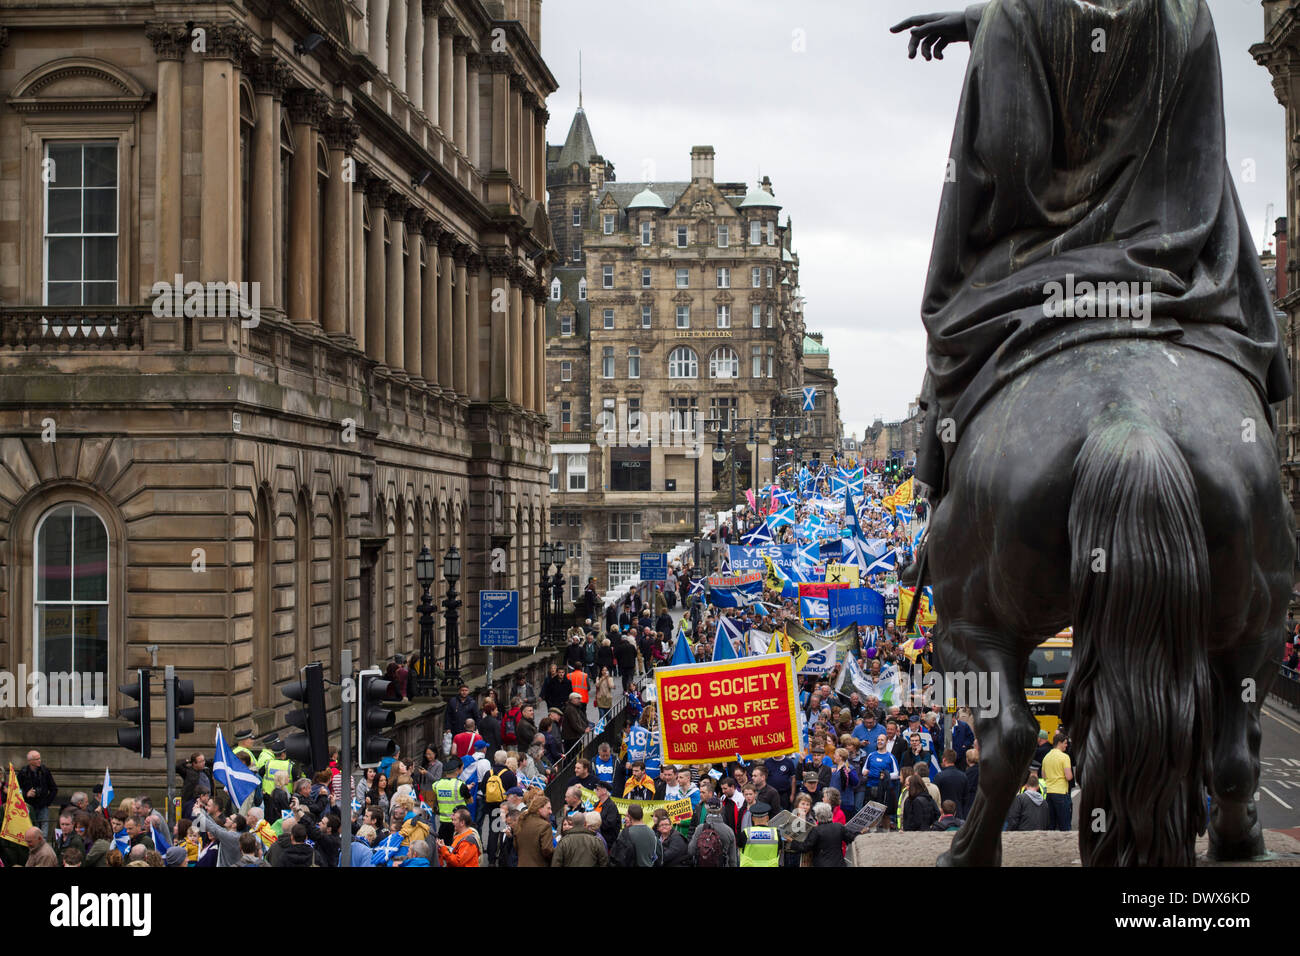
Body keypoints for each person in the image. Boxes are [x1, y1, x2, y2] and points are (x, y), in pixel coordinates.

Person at [789, 802, 848, 867]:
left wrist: (792, 841)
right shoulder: (838, 826)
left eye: (807, 804)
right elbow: (849, 837)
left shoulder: (816, 829)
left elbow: (805, 847)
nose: (805, 807)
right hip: (838, 863)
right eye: (802, 804)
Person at [688, 797, 738, 867]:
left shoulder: (700, 828)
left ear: (706, 808)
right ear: (720, 809)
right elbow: (732, 860)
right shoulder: (729, 831)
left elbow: (691, 851)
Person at [17, 751, 57, 837]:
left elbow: (54, 789)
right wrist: (26, 794)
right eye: (37, 759)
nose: (39, 760)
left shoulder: (44, 771)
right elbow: (16, 790)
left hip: (43, 806)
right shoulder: (23, 773)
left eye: (40, 758)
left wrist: (47, 802)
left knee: (43, 832)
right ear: (30, 761)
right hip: (29, 806)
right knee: (30, 831)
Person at [1041, 732, 1074, 831]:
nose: (1066, 745)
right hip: (1061, 793)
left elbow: (1043, 776)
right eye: (1065, 743)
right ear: (1059, 743)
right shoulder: (1064, 757)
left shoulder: (1046, 757)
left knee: (1051, 825)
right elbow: (1068, 776)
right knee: (1065, 825)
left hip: (1049, 793)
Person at [515, 794, 556, 867]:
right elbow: (547, 850)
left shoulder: (521, 822)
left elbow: (516, 845)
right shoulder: (545, 826)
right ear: (540, 808)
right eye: (548, 808)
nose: (551, 812)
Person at [738, 802, 780, 867]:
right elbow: (779, 850)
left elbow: (739, 848)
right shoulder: (776, 833)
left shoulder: (745, 833)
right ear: (767, 818)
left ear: (752, 818)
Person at [593, 780, 621, 847]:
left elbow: (609, 824)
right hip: (595, 838)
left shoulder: (611, 806)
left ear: (604, 791)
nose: (595, 791)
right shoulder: (596, 804)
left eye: (597, 789)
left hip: (606, 841)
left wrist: (595, 822)